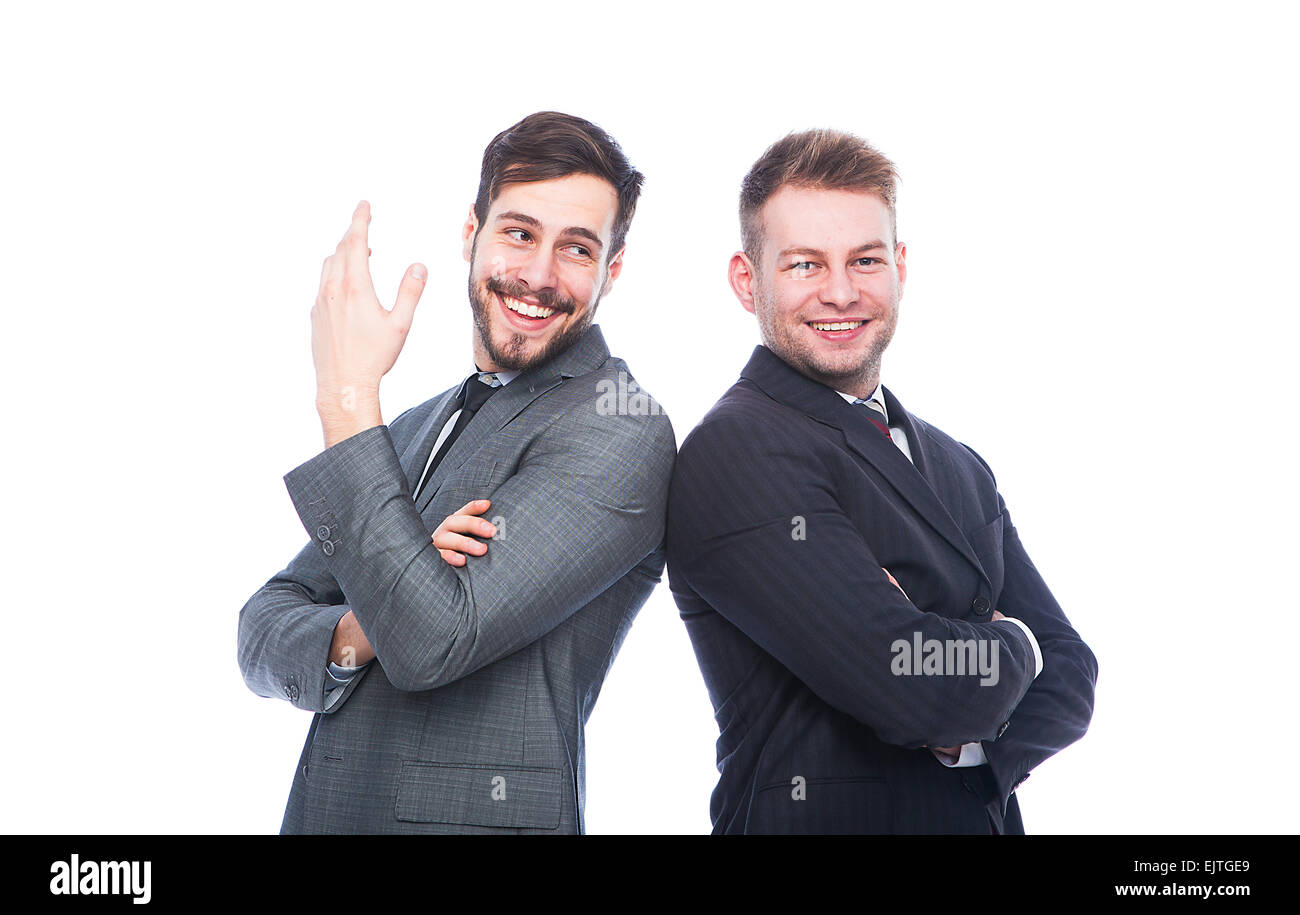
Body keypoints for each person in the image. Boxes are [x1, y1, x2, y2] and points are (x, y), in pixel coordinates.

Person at [238, 111, 675, 834]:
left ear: (613, 270)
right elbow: (260, 628)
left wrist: (346, 395)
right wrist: (358, 627)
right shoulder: (417, 425)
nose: (539, 275)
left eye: (576, 248)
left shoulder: (620, 426)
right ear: (472, 234)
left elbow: (430, 641)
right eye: (520, 233)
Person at [665, 129, 1097, 834]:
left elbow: (1073, 677)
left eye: (864, 260)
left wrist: (964, 714)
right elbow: (914, 686)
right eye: (805, 264)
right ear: (748, 281)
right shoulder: (737, 450)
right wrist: (1018, 641)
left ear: (898, 266)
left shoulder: (959, 463)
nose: (840, 293)